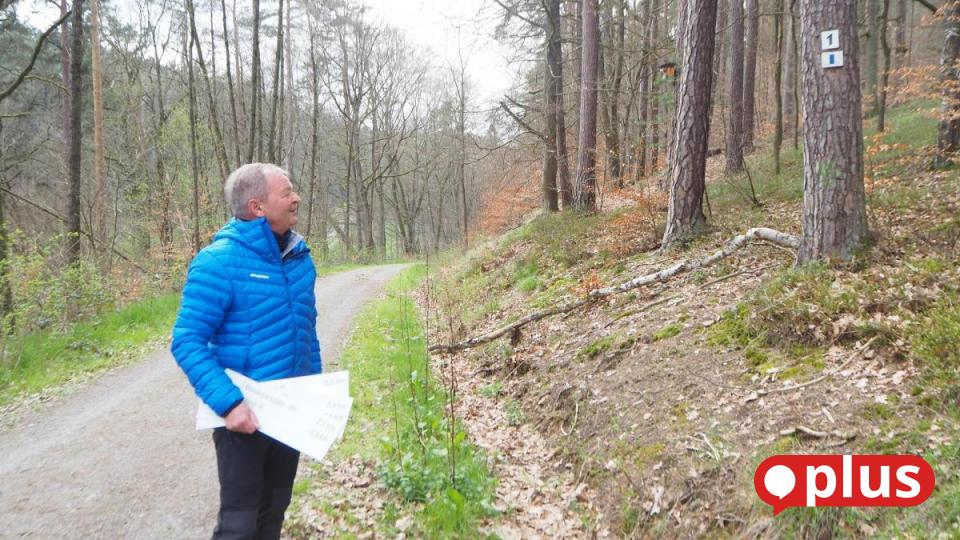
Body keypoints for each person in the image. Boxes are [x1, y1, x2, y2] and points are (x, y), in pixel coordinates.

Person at [171, 163, 322, 540]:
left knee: (273, 515)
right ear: (257, 206)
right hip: (244, 418)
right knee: (239, 524)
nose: (296, 198)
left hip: (290, 414)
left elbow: (307, 332)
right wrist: (229, 404)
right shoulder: (217, 262)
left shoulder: (299, 258)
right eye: (286, 192)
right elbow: (186, 340)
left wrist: (314, 392)